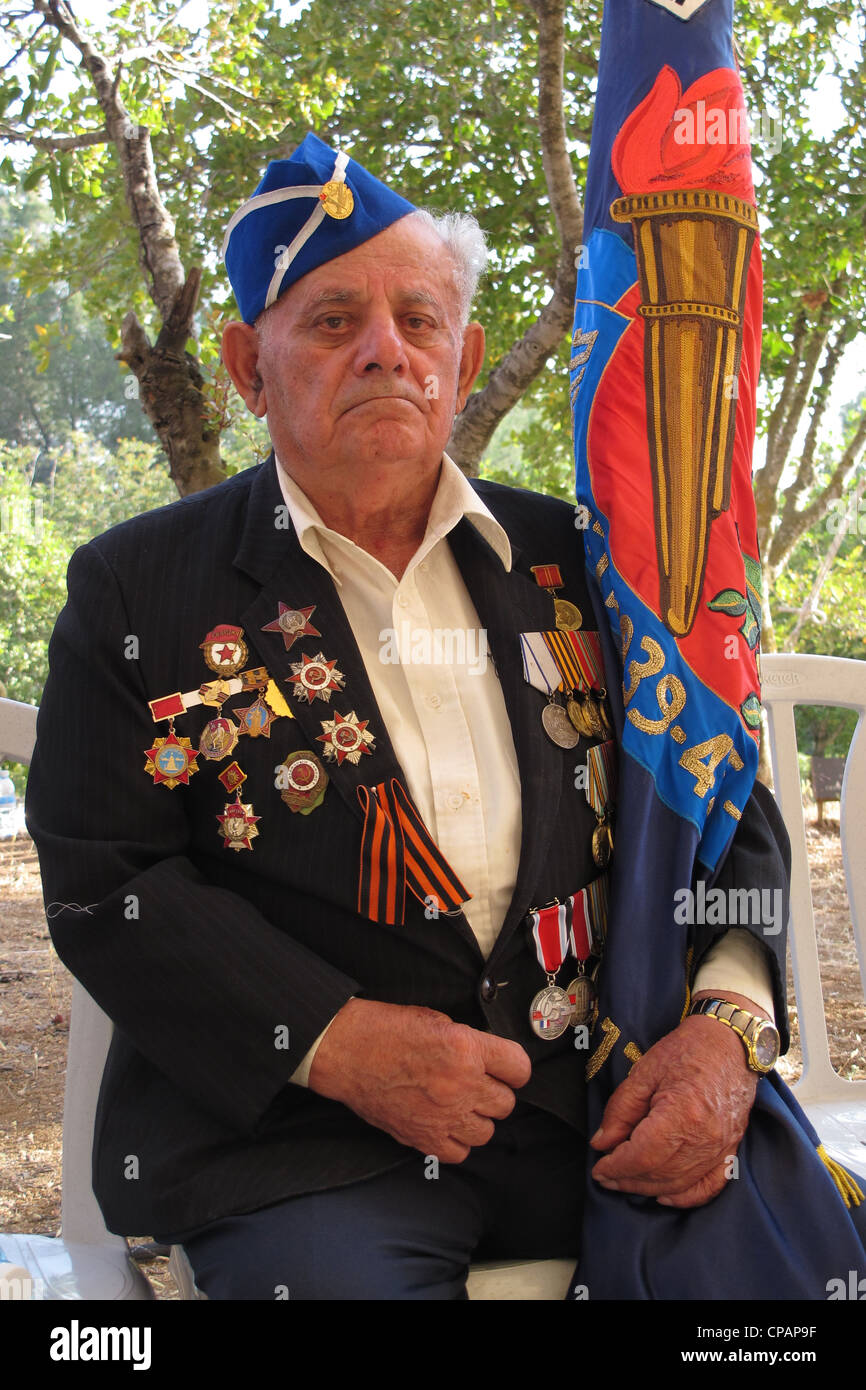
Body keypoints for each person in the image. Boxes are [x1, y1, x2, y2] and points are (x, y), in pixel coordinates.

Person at [25, 134, 790, 1300]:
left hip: (608, 1101)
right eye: (332, 320)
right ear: (245, 365)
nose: (386, 349)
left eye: (419, 319)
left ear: (464, 352)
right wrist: (340, 1042)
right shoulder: (138, 589)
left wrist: (724, 1030)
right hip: (302, 1150)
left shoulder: (589, 568)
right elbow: (107, 878)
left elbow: (719, 799)